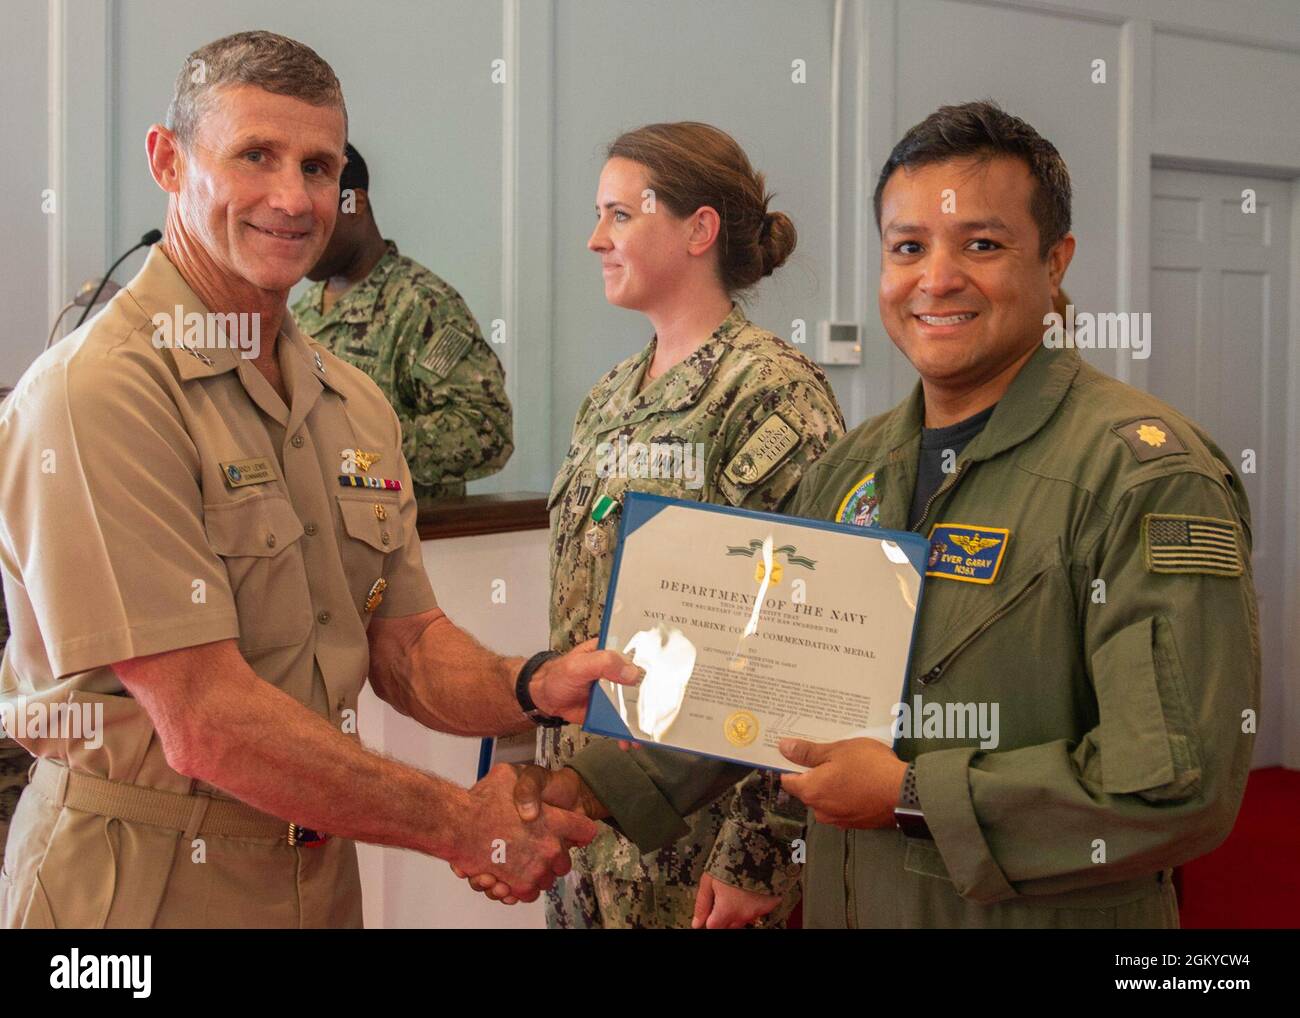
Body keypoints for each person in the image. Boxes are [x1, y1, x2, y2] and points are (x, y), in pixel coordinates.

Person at [481, 100, 1259, 929]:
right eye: (908, 248)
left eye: (983, 245)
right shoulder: (856, 471)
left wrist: (914, 798)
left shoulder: (1140, 477)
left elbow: (1176, 784)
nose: (937, 279)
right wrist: (582, 787)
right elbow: (758, 684)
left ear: (1056, 262)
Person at [0, 30, 639, 929]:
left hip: (313, 876)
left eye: (318, 164)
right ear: (168, 161)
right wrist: (463, 824)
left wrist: (530, 681)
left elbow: (404, 641)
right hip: (135, 890)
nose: (293, 198)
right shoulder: (99, 395)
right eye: (254, 156)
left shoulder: (349, 401)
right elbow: (206, 719)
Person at [534, 122, 845, 929]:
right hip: (593, 829)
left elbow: (805, 645)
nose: (596, 237)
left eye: (620, 215)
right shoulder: (610, 395)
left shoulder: (770, 392)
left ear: (698, 229)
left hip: (701, 846)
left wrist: (760, 856)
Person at [292, 143, 512, 500]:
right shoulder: (301, 313)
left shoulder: (422, 304)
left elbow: (488, 429)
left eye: (311, 222)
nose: (300, 239)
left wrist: (358, 445)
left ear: (354, 204)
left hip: (408, 542)